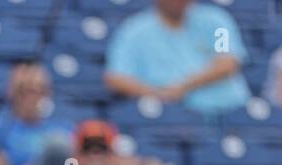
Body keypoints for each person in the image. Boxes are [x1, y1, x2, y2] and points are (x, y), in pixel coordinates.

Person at [105, 0, 250, 115]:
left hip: (229, 110)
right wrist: (158, 94)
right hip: (170, 115)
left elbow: (227, 63)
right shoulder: (134, 30)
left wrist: (182, 87)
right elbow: (117, 78)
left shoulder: (217, 21)